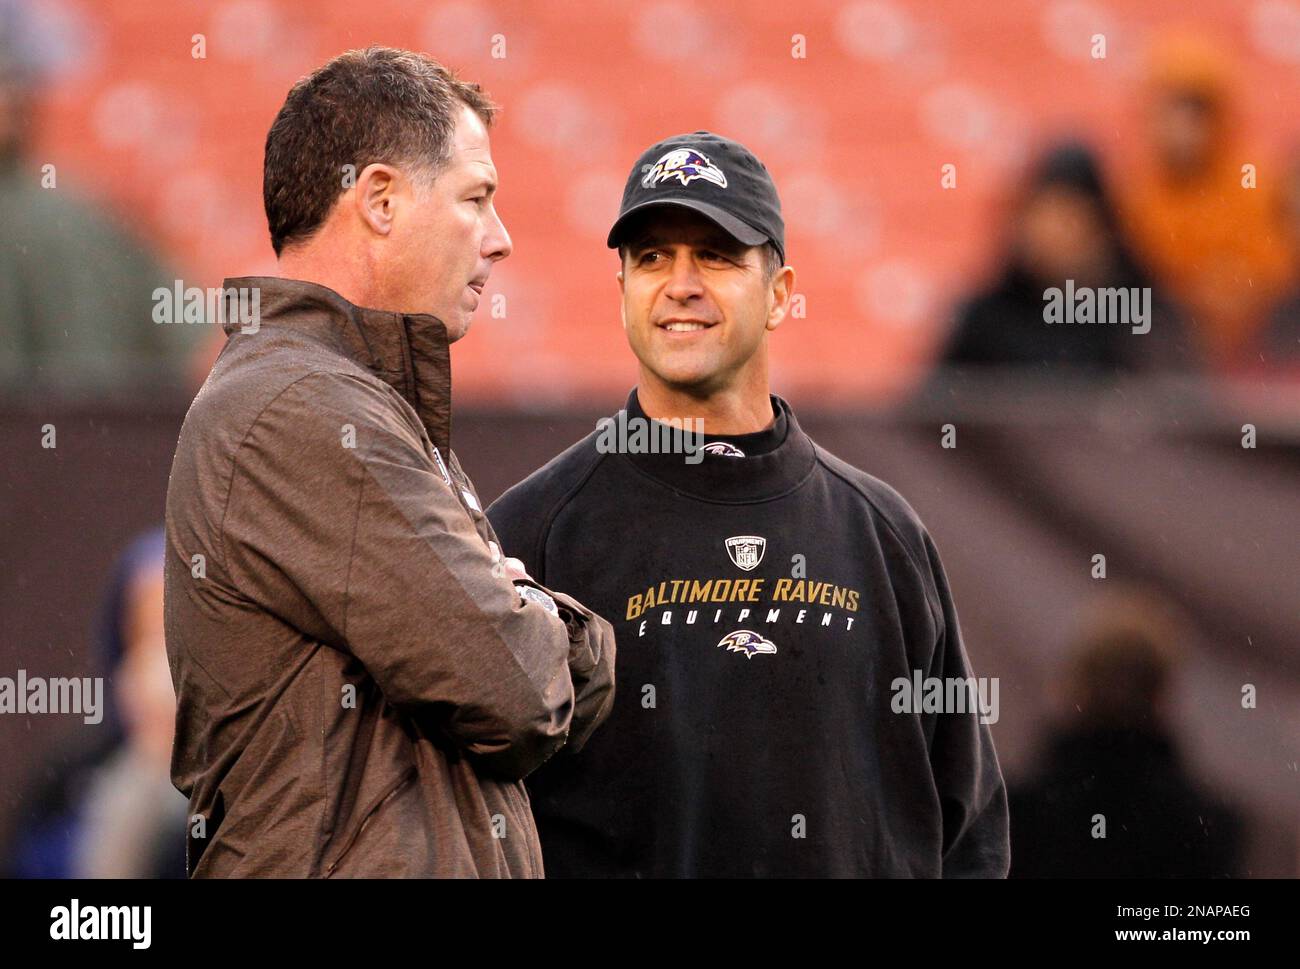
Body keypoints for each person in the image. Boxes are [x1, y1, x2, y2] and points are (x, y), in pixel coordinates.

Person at [488, 131, 1008, 877]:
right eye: (652, 257)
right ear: (623, 290)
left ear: (781, 294)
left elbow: (970, 829)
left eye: (717, 255)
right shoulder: (533, 532)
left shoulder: (883, 532)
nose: (680, 282)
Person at [163, 47, 614, 878]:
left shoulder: (348, 400)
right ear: (378, 200)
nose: (501, 239)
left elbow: (508, 666)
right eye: (476, 198)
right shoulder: (303, 409)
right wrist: (561, 629)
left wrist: (516, 610)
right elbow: (514, 685)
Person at [942, 141, 1193, 374]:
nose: (1048, 234)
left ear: (1101, 228)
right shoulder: (989, 318)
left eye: (1066, 220)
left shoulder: (1144, 314)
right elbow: (933, 408)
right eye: (1041, 216)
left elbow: (1181, 407)